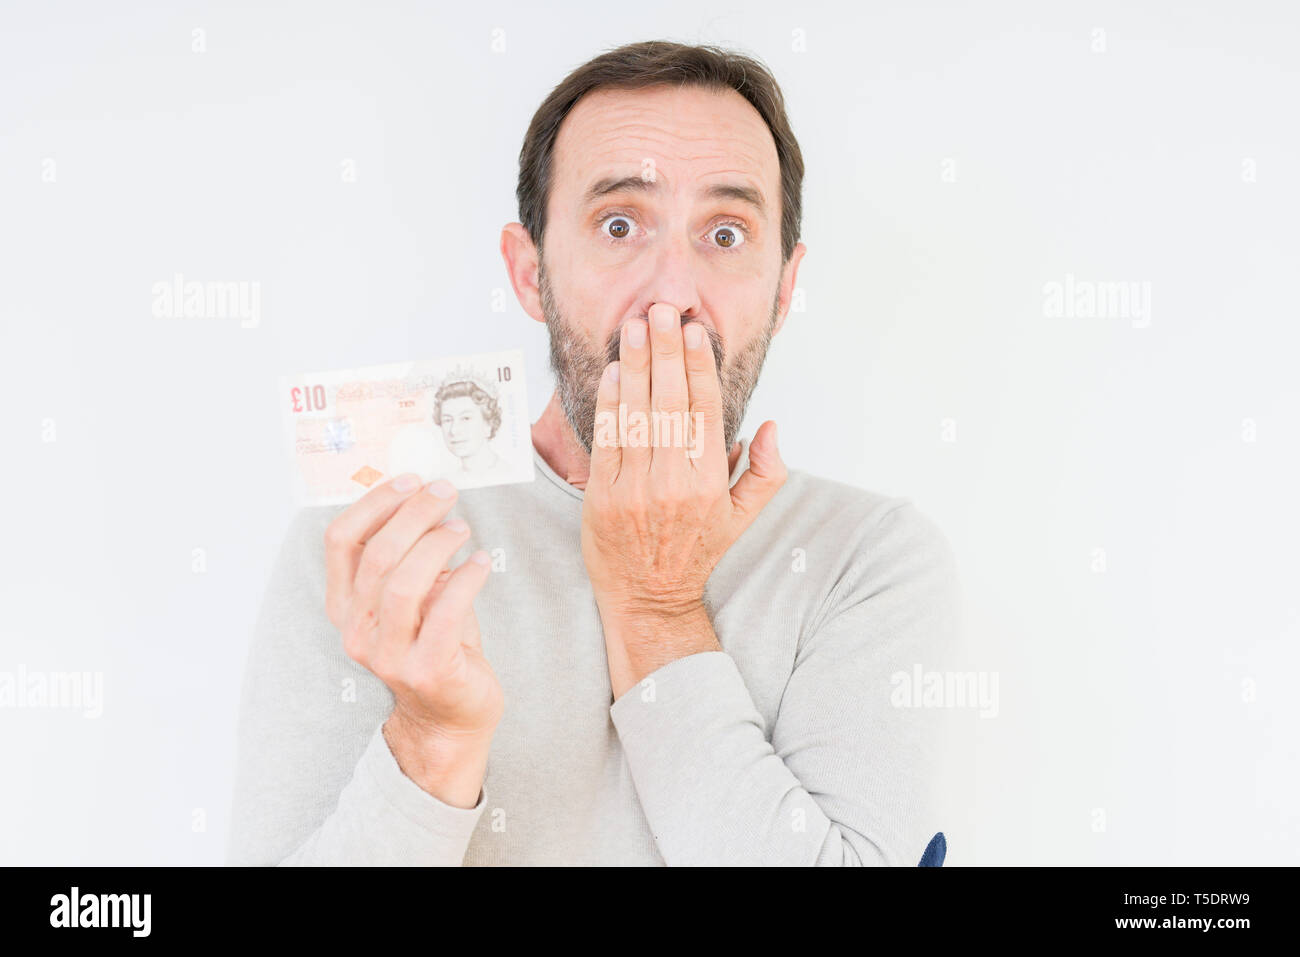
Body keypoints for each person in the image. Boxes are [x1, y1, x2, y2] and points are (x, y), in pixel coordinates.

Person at [227, 40, 960, 866]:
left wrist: (657, 608)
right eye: (619, 224)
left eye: (726, 233)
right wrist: (431, 740)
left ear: (783, 288)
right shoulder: (380, 539)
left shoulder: (865, 559)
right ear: (530, 270)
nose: (671, 293)